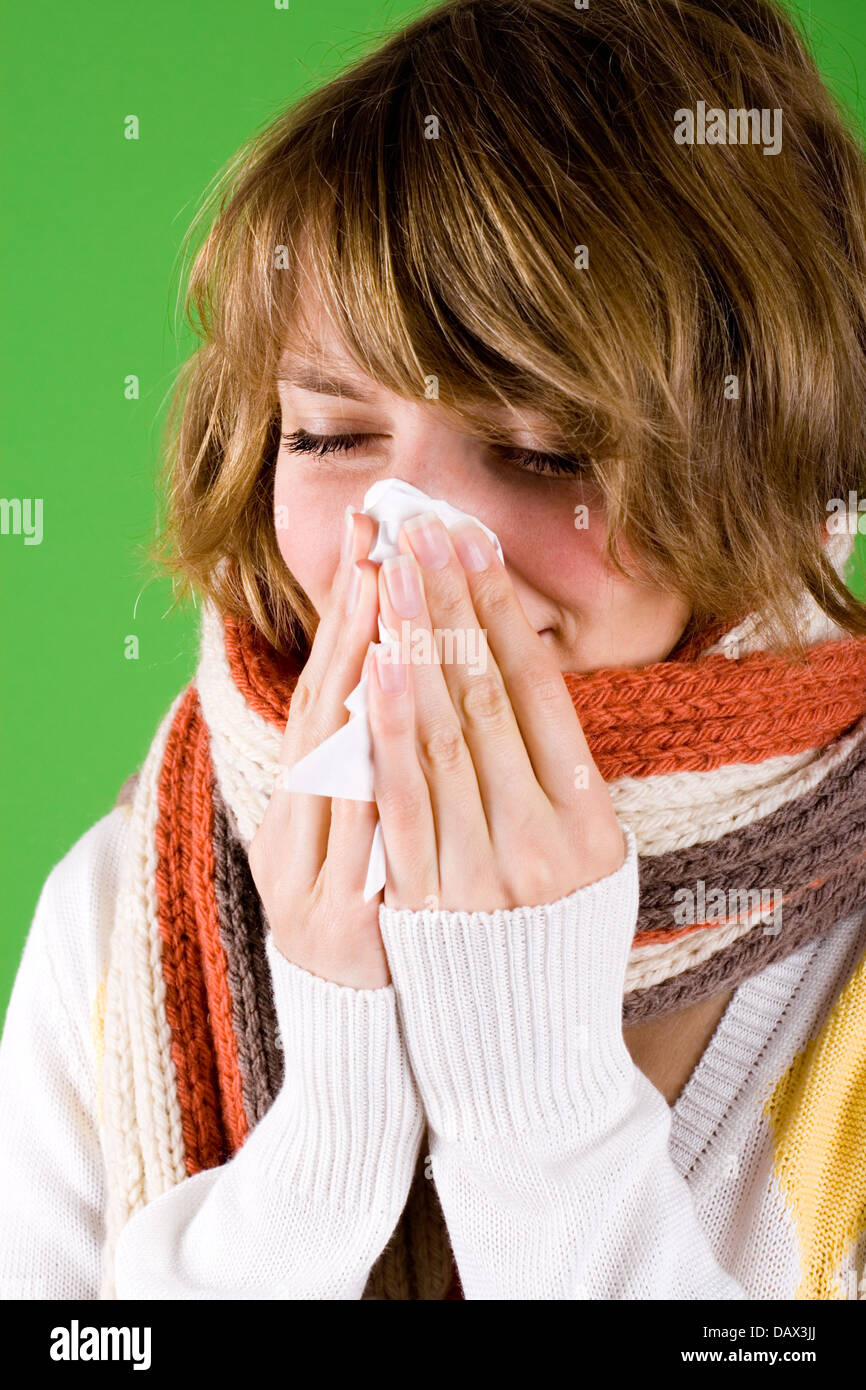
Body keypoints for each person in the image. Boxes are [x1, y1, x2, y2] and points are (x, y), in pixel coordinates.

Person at [2, 0, 866, 1300]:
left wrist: (544, 1118)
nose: (405, 542)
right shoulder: (123, 910)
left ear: (790, 498)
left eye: (540, 452)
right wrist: (321, 1150)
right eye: (330, 437)